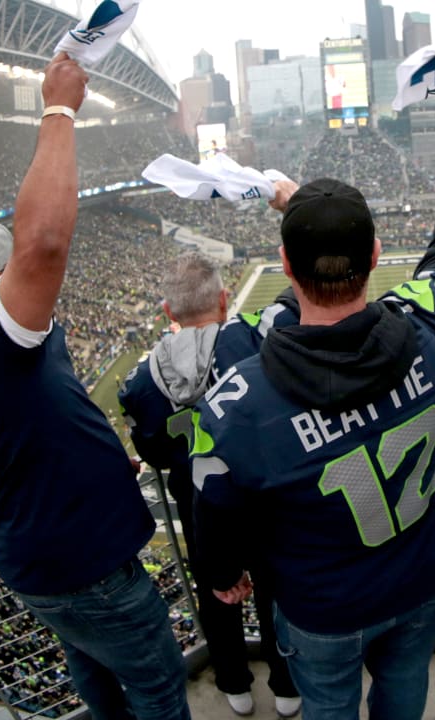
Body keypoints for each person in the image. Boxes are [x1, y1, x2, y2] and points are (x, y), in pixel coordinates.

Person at [190, 76, 435, 720]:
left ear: (284, 265)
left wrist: (222, 574)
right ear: (380, 255)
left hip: (323, 604)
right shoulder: (427, 329)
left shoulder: (239, 400)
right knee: (404, 692)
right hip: (419, 579)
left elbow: (214, 512)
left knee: (328, 707)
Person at [0, 53, 189, 720]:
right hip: (83, 566)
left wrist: (97, 462)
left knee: (95, 675)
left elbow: (29, 422)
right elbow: (42, 243)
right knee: (158, 686)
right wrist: (60, 109)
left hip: (37, 560)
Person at [118, 252, 300, 717]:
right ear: (224, 301)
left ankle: (234, 683)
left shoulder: (142, 381)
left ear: (167, 311)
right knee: (275, 593)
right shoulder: (249, 342)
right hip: (261, 502)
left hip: (198, 508)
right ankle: (286, 684)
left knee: (216, 600)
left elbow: (155, 451)